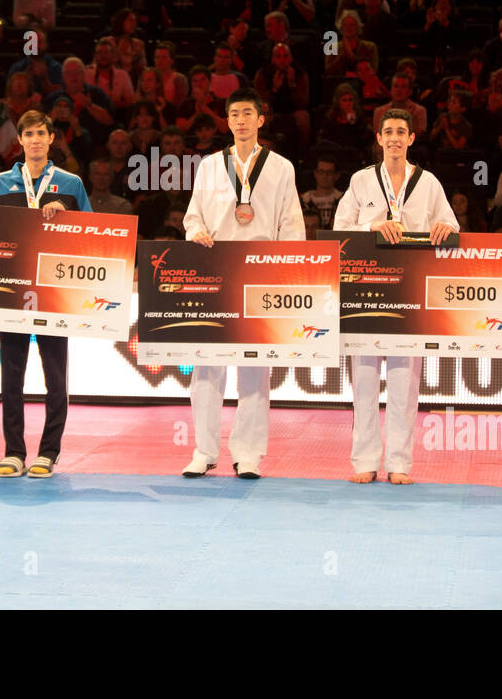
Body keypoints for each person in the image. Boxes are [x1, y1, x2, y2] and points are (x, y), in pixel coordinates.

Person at [181, 88, 305, 479]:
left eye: (248, 113)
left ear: (261, 120)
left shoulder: (282, 167)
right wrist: (198, 232)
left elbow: (291, 224)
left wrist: (287, 273)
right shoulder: (210, 166)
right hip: (215, 270)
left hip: (260, 273)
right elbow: (193, 216)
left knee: (255, 368)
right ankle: (204, 450)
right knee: (205, 367)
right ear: (227, 120)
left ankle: (248, 454)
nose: (240, 120)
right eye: (234, 113)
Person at [333, 107, 458, 484]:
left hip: (410, 293)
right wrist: (373, 225)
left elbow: (451, 225)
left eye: (401, 132)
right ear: (378, 138)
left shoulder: (429, 182)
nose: (394, 138)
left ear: (412, 138)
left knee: (405, 383)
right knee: (365, 380)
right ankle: (364, 461)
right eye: (388, 132)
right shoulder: (360, 181)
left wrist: (443, 227)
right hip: (367, 290)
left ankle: (400, 462)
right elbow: (339, 229)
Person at [0, 109, 91, 478]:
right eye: (29, 134)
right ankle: (13, 451)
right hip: (10, 292)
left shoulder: (71, 184)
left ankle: (49, 452)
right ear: (21, 140)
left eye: (42, 133)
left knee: (55, 376)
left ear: (52, 138)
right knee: (12, 377)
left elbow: (91, 235)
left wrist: (69, 215)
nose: (36, 140)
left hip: (53, 291)